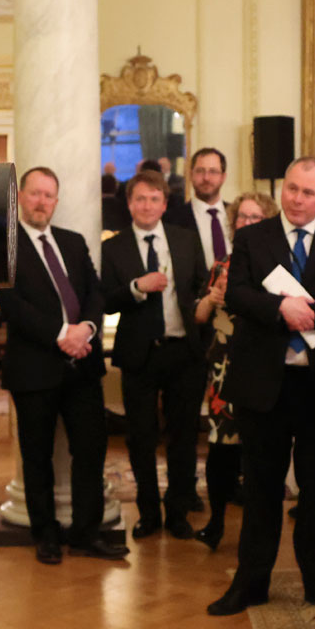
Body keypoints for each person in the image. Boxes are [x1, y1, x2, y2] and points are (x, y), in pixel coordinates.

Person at [207, 157, 315, 616]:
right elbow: (236, 292)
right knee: (261, 487)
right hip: (263, 382)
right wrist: (281, 309)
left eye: (307, 192)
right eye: (291, 189)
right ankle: (251, 582)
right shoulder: (253, 236)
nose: (297, 199)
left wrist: (312, 311)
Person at [0, 166, 126, 565]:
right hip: (34, 368)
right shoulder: (5, 246)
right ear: (20, 197)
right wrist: (60, 335)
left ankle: (86, 534)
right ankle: (46, 535)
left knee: (90, 451)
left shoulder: (72, 242)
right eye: (34, 194)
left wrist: (85, 329)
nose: (41, 202)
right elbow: (12, 306)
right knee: (36, 457)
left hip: (83, 367)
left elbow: (95, 293)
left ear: (56, 201)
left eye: (49, 196)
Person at [102, 170, 209, 539]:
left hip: (184, 353)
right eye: (140, 199)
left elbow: (200, 288)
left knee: (182, 437)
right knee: (141, 437)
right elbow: (103, 299)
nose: (147, 205)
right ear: (130, 204)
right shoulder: (112, 247)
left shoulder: (185, 240)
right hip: (139, 356)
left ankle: (178, 512)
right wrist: (135, 287)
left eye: (154, 199)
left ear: (164, 204)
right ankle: (148, 513)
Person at [194, 190, 274, 550]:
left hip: (262, 364)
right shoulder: (221, 265)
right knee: (220, 449)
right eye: (242, 217)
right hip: (223, 368)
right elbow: (199, 316)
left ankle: (255, 531)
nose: (246, 223)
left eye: (255, 217)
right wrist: (213, 298)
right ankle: (215, 522)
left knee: (257, 451)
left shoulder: (276, 264)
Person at [176, 146, 233, 269]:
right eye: (200, 171)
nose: (206, 178)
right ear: (191, 175)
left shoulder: (237, 213)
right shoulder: (174, 220)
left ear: (223, 177)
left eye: (213, 171)